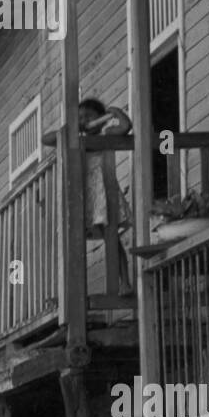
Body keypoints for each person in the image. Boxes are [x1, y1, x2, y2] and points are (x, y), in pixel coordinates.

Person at [78, 97, 134, 293]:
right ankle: (78, 290)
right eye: (80, 117)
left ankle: (125, 282)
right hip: (86, 197)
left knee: (112, 238)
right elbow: (47, 139)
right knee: (78, 241)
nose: (84, 120)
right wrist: (70, 126)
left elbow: (126, 126)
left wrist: (115, 112)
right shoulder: (76, 140)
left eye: (88, 116)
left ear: (100, 118)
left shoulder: (105, 134)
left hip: (104, 192)